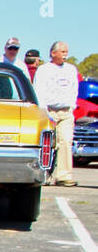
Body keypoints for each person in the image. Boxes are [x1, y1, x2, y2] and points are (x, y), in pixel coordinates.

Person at [34, 41, 80, 186]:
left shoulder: (71, 70)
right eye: (62, 52)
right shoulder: (44, 70)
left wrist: (71, 106)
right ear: (53, 53)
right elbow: (38, 91)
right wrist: (44, 112)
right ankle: (44, 174)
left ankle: (64, 176)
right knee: (47, 144)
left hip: (66, 112)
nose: (65, 55)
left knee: (66, 141)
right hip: (49, 111)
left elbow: (74, 89)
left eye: (66, 52)